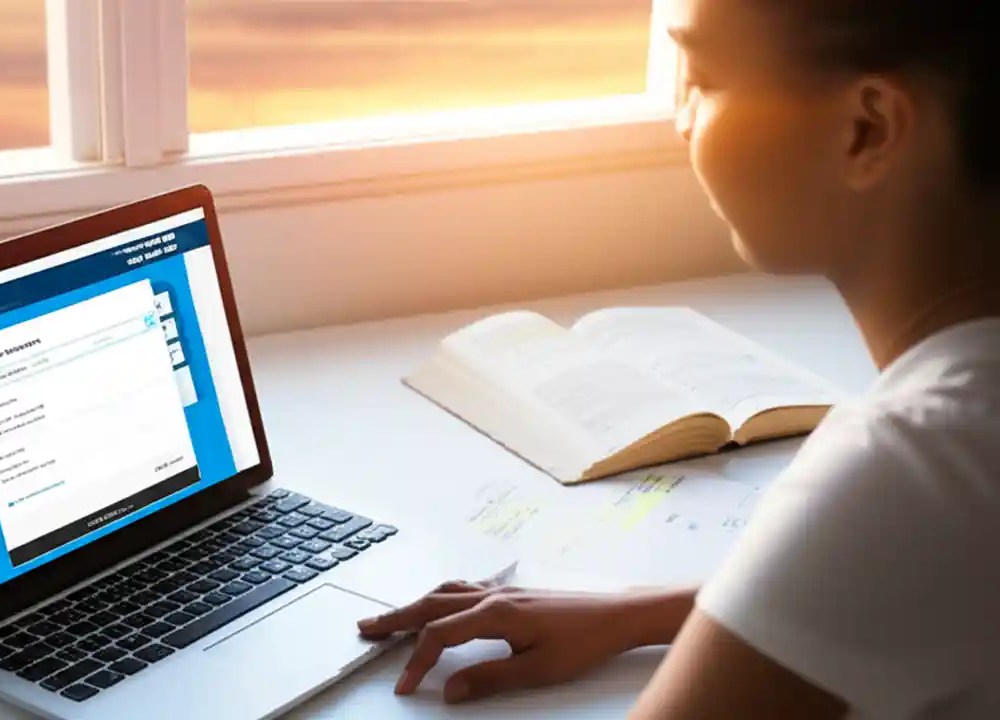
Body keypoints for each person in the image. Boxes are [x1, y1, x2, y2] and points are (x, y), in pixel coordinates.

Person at [356, 0, 1000, 717]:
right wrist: (643, 613)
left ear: (867, 130)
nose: (681, 118)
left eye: (701, 76)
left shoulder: (910, 468)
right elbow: (919, 576)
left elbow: (905, 530)